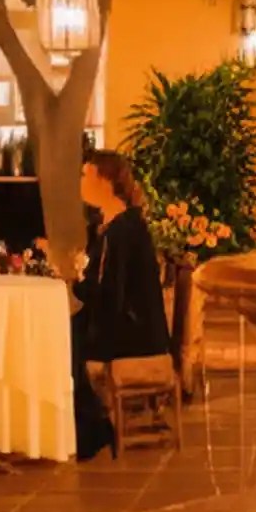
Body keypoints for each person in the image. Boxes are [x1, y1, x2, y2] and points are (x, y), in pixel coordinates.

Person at [72, 150, 176, 458]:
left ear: (104, 181)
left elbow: (111, 294)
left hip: (136, 332)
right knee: (66, 332)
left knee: (70, 340)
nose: (80, 182)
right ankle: (87, 424)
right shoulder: (110, 226)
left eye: (85, 176)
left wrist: (75, 280)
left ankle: (94, 428)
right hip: (121, 320)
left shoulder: (125, 230)